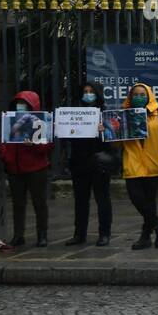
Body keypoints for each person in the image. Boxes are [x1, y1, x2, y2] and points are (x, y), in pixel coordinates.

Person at [119, 81, 158, 249]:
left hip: (154, 166)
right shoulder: (122, 115)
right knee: (137, 199)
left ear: (149, 96)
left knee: (149, 202)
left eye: (142, 95)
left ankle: (146, 237)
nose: (139, 97)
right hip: (133, 165)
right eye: (135, 95)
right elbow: (116, 144)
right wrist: (108, 131)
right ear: (130, 96)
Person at [0, 89, 52, 248]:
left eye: (24, 104)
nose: (20, 107)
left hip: (36, 169)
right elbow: (4, 143)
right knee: (18, 203)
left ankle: (42, 234)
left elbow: (46, 147)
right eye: (18, 104)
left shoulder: (40, 122)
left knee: (39, 203)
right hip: (15, 169)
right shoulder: (9, 121)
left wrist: (34, 145)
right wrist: (6, 158)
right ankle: (18, 235)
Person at [65, 81, 113, 246]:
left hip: (99, 163)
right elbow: (69, 137)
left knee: (102, 199)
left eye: (91, 91)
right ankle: (79, 234)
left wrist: (103, 131)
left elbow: (113, 141)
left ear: (98, 93)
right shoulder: (75, 112)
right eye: (85, 91)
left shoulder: (105, 113)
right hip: (79, 162)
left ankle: (104, 233)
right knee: (80, 201)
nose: (88, 94)